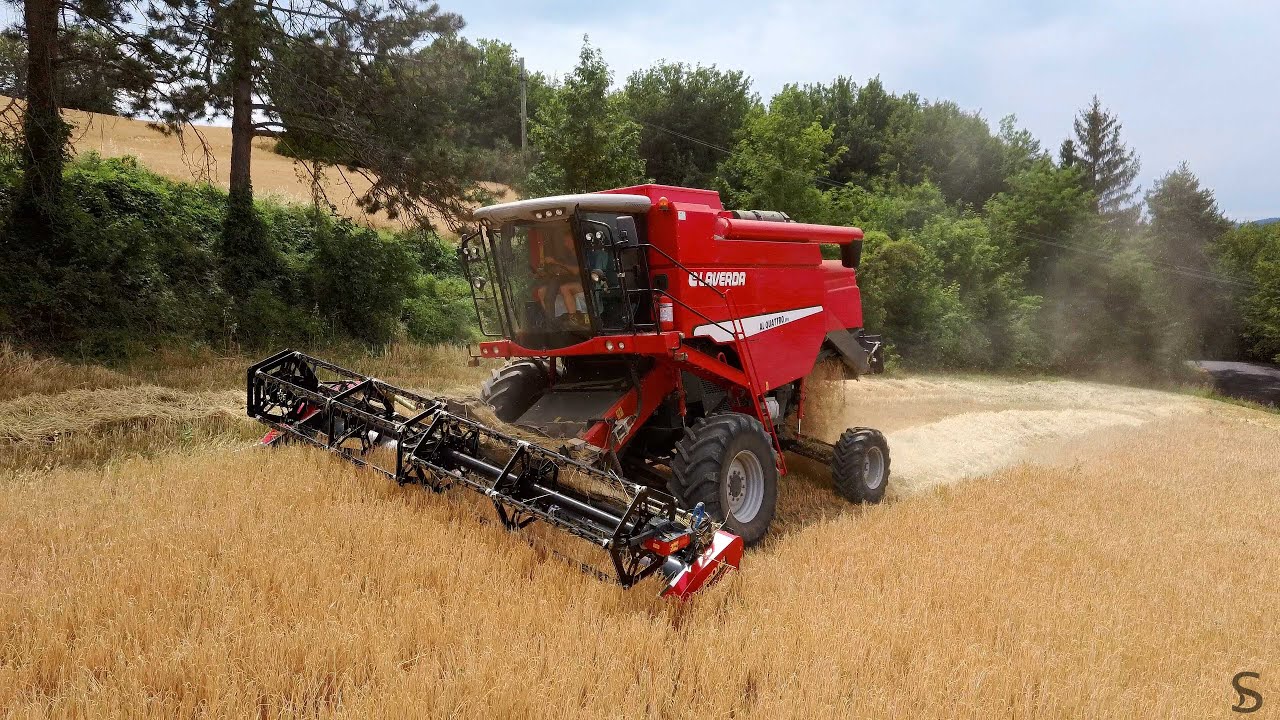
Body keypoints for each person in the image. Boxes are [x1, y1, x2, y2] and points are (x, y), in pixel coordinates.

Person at [531, 225, 585, 321]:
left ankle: (573, 318)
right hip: (569, 281)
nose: (565, 244)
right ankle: (550, 319)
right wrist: (554, 271)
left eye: (567, 241)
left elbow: (576, 271)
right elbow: (566, 270)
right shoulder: (568, 255)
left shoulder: (582, 253)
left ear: (574, 240)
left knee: (564, 288)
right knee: (542, 291)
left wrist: (555, 262)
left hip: (584, 283)